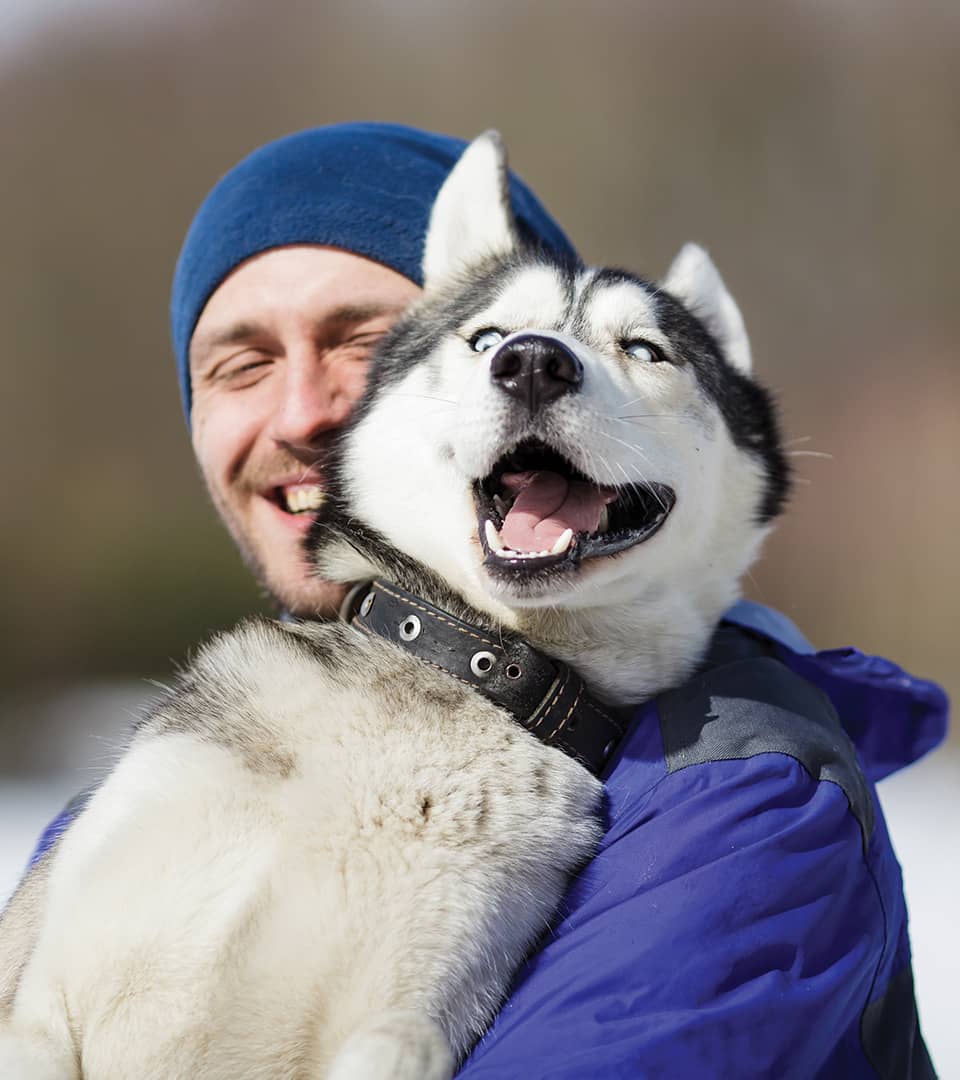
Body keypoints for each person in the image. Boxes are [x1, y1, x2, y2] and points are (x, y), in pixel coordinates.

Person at [31, 123, 951, 1077]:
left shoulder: (739, 799)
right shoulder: (176, 765)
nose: (304, 411)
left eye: (364, 339)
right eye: (242, 364)